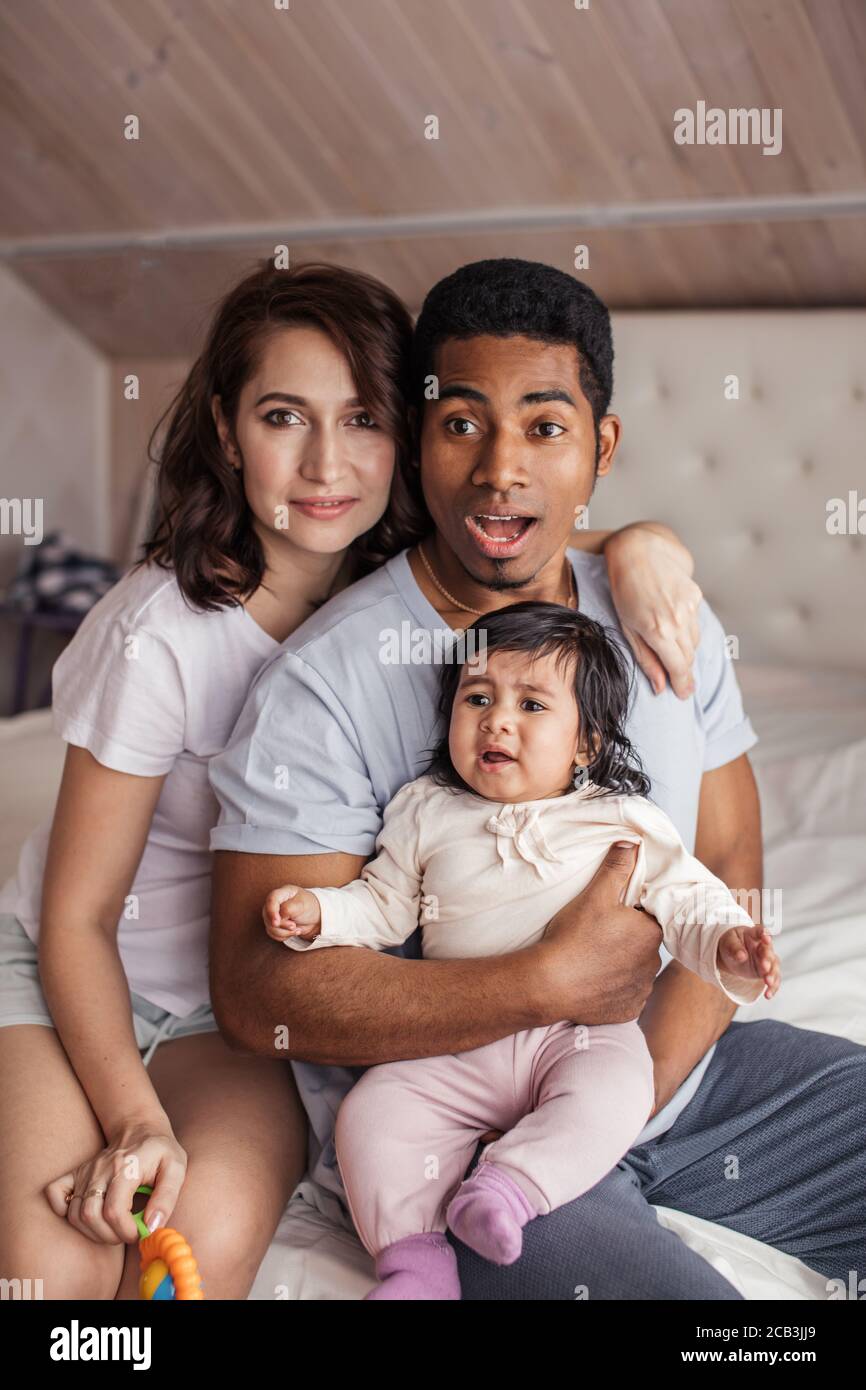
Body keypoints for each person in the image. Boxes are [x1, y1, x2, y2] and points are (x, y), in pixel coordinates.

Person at [0, 258, 694, 1301]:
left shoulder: (387, 572)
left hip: (218, 1005)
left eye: (363, 418)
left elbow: (540, 535)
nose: (327, 461)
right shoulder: (157, 635)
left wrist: (644, 544)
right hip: (69, 977)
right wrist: (134, 1120)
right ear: (229, 435)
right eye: (284, 416)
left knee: (194, 1255)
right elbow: (79, 915)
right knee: (56, 1273)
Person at [209, 257, 866, 1300]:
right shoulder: (325, 682)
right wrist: (540, 989)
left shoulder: (659, 616)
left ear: (600, 448)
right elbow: (257, 992)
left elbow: (728, 851)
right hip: (462, 1130)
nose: (498, 469)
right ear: (419, 444)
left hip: (679, 1073)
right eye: (460, 424)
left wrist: (623, 1089)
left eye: (544, 427)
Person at [262, 602, 780, 1300]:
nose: (497, 719)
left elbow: (688, 899)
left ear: (586, 743)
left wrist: (728, 944)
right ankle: (414, 1265)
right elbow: (382, 905)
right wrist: (318, 912)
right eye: (477, 698)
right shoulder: (426, 811)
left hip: (579, 1039)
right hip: (453, 1038)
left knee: (618, 1092)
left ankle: (506, 1191)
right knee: (373, 1115)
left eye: (532, 704)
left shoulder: (620, 821)